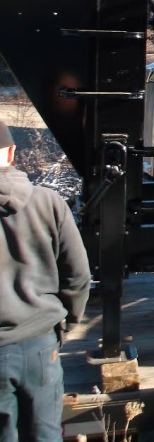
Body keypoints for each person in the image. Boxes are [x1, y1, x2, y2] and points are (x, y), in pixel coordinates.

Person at [0, 119, 90, 441]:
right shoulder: (48, 202)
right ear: (12, 151)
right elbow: (78, 275)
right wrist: (64, 325)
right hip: (40, 341)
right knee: (45, 433)